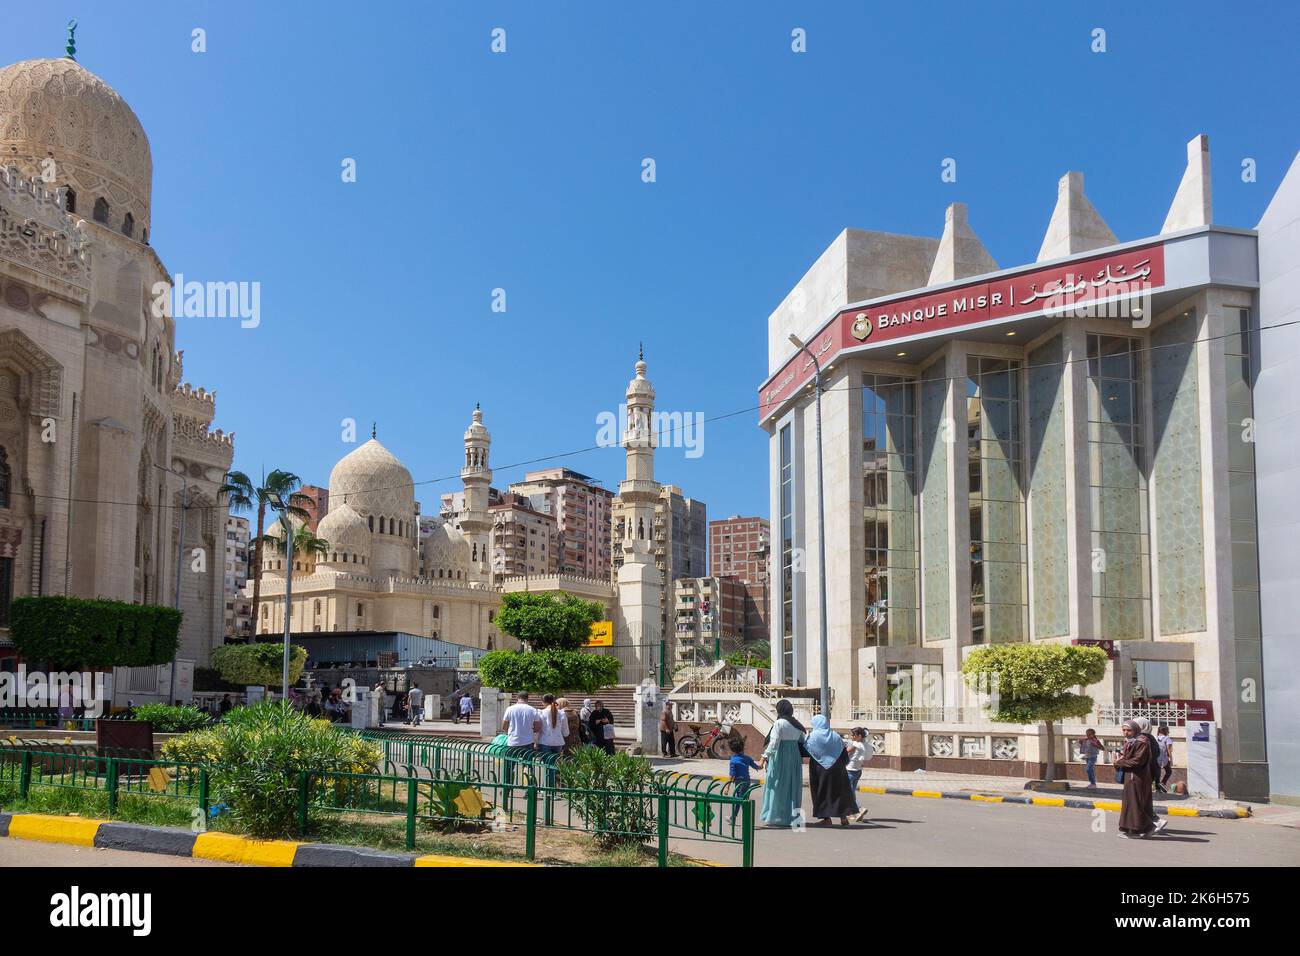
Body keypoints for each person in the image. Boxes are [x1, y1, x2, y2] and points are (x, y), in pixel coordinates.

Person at [1115, 718, 1164, 838]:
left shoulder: (1141, 742)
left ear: (1136, 729)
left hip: (1137, 777)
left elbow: (1137, 761)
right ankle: (1132, 829)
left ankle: (1140, 830)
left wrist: (1120, 762)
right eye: (1124, 730)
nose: (1126, 732)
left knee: (1134, 804)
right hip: (1131, 776)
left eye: (1128, 730)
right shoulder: (1132, 741)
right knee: (1132, 804)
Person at [760, 699, 806, 828]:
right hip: (794, 757)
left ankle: (775, 816)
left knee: (776, 784)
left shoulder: (779, 723)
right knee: (792, 785)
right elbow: (803, 740)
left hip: (780, 756)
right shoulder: (797, 724)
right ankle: (791, 817)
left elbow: (774, 743)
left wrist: (764, 757)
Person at [806, 715, 856, 827]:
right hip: (838, 768)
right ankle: (843, 817)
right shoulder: (835, 735)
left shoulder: (813, 736)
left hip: (820, 769)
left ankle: (826, 819)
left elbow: (808, 749)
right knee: (840, 792)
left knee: (822, 793)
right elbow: (843, 752)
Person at [727, 737, 763, 824]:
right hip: (747, 782)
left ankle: (746, 820)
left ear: (732, 750)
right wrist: (762, 760)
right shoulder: (747, 758)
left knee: (740, 800)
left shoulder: (733, 760)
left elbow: (732, 775)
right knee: (742, 799)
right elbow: (758, 767)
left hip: (739, 783)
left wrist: (727, 787)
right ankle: (734, 817)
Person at [844, 727, 871, 822]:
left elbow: (846, 751)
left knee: (849, 793)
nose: (852, 736)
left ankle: (859, 809)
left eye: (853, 735)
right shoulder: (863, 744)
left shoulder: (855, 744)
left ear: (859, 736)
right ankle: (855, 814)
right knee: (851, 792)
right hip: (858, 771)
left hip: (850, 770)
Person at [1155, 724, 1173, 793]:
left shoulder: (1155, 738)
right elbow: (1169, 750)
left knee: (1157, 773)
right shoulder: (1167, 738)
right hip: (1164, 758)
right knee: (1169, 771)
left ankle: (1157, 789)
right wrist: (1171, 760)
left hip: (1156, 758)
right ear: (1165, 731)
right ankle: (1162, 783)